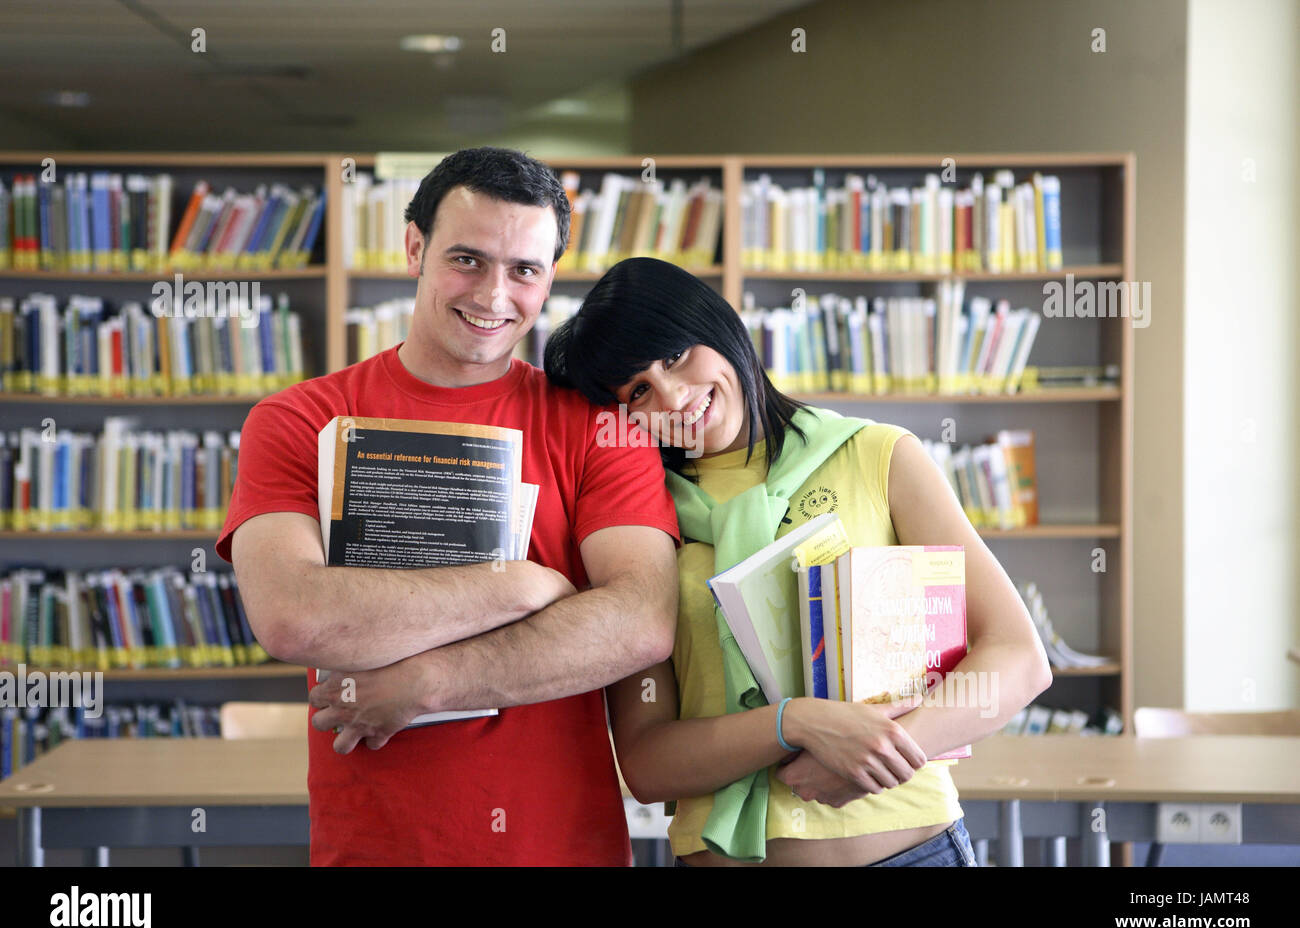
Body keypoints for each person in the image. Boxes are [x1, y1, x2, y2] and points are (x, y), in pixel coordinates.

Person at [217, 149, 680, 866]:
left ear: (551, 276)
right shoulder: (296, 420)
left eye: (525, 269)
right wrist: (522, 584)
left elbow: (642, 620)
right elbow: (296, 615)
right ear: (414, 248)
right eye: (468, 259)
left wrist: (426, 683)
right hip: (375, 848)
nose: (495, 295)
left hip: (560, 848)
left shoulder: (596, 423)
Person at [544, 256, 1053, 866]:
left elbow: (1018, 659)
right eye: (639, 391)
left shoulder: (878, 455)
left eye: (677, 355)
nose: (675, 396)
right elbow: (647, 762)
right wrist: (798, 724)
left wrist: (876, 756)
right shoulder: (638, 525)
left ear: (717, 323)